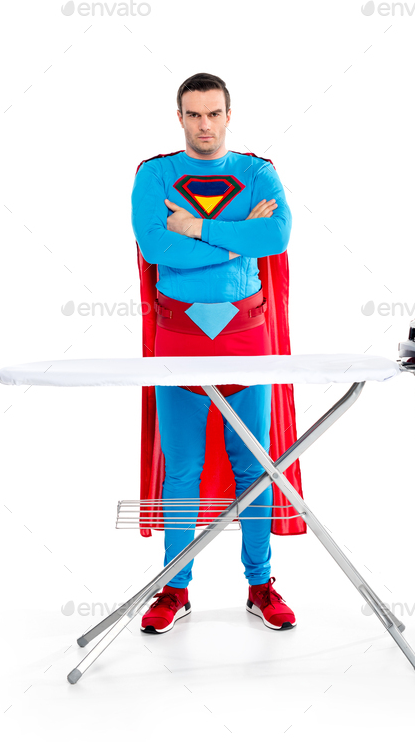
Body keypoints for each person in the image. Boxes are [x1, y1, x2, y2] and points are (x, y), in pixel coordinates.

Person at [130, 72, 304, 635]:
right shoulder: (154, 174)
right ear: (179, 117)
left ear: (229, 115)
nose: (204, 124)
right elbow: (156, 246)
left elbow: (275, 239)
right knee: (180, 470)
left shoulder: (258, 172)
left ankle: (260, 584)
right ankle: (174, 588)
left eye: (213, 113)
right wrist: (232, 235)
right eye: (193, 114)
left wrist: (197, 228)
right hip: (177, 337)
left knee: (253, 467)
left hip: (246, 334)